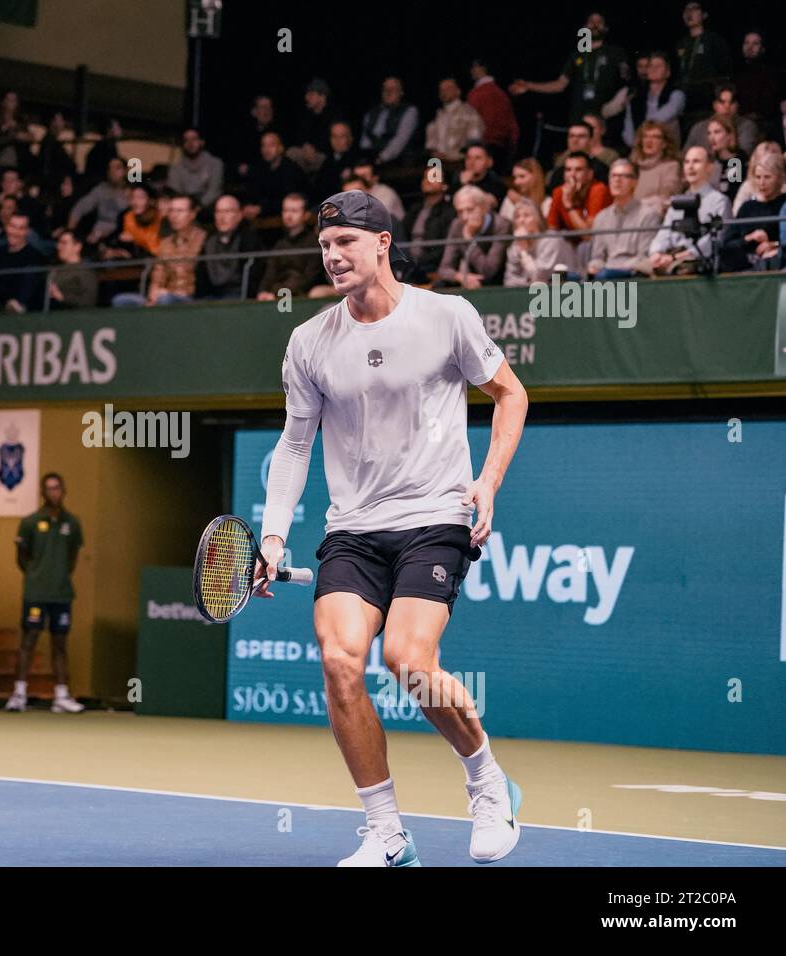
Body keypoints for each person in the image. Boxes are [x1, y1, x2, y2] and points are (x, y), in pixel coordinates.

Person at [259, 188, 528, 866]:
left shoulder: (448, 316)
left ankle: (487, 782)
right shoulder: (309, 341)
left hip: (435, 515)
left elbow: (510, 394)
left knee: (408, 660)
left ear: (382, 242)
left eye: (344, 241)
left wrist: (488, 482)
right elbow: (295, 446)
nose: (332, 255)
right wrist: (271, 535)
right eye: (323, 246)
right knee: (340, 658)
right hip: (352, 526)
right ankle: (386, 830)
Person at [7, 472, 85, 714]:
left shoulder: (72, 523)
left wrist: (59, 576)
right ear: (42, 492)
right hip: (36, 593)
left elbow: (73, 557)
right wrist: (35, 575)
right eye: (49, 489)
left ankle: (61, 696)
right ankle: (19, 694)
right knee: (29, 640)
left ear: (63, 491)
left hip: (61, 594)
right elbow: (22, 557)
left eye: (58, 488)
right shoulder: (30, 522)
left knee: (60, 644)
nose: (54, 492)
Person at [509, 11, 629, 125]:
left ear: (606, 27)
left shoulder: (616, 53)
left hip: (606, 118)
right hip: (578, 118)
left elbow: (627, 83)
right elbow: (560, 85)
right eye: (591, 22)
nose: (594, 25)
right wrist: (528, 85)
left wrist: (616, 105)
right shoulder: (577, 55)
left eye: (599, 22)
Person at [649, 145, 732, 273]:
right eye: (687, 162)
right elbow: (664, 233)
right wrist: (656, 253)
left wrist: (675, 257)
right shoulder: (677, 201)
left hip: (697, 260)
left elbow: (714, 240)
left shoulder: (719, 201)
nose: (690, 166)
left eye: (696, 161)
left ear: (709, 167)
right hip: (670, 256)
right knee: (639, 270)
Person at [587, 158, 663, 278]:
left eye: (624, 176)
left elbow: (644, 257)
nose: (617, 180)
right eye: (613, 176)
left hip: (633, 276)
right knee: (568, 279)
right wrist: (595, 266)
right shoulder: (601, 217)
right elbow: (597, 257)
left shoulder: (648, 215)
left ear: (635, 182)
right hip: (605, 274)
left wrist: (612, 267)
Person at [719, 152, 785, 271]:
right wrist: (748, 238)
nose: (762, 183)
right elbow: (727, 243)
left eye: (767, 177)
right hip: (745, 263)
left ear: (780, 178)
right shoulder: (747, 207)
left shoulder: (784, 204)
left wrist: (775, 244)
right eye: (758, 177)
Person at [436, 186, 510, 288]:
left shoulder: (501, 225)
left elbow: (489, 271)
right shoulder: (457, 225)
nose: (465, 217)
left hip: (497, 283)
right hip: (469, 279)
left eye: (470, 210)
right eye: (460, 212)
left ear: (484, 208)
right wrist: (461, 277)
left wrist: (469, 239)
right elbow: (444, 269)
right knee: (440, 285)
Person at [257, 193, 320, 300]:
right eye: (285, 210)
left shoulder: (314, 243)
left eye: (294, 211)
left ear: (305, 215)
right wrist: (262, 291)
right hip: (277, 294)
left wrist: (278, 294)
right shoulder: (279, 243)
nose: (288, 215)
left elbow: (308, 279)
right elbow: (270, 273)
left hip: (301, 298)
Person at [675, 2, 733, 116]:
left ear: (704, 15)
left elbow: (725, 72)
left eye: (694, 9)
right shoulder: (680, 44)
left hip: (707, 104)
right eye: (686, 10)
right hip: (684, 104)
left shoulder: (715, 40)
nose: (689, 13)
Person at [503, 200, 575, 286]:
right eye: (517, 217)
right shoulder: (515, 245)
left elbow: (539, 277)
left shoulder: (551, 240)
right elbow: (508, 281)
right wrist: (528, 282)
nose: (521, 220)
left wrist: (524, 253)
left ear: (537, 219)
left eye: (526, 215)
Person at [623, 51, 686, 148]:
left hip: (666, 147)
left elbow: (661, 118)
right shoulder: (635, 98)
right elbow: (628, 128)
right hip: (639, 148)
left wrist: (642, 132)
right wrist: (636, 144)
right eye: (651, 66)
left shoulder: (676, 95)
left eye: (658, 66)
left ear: (668, 72)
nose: (654, 69)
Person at [402, 171, 456, 281]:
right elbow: (403, 234)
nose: (427, 181)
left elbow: (446, 246)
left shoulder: (449, 211)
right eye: (425, 178)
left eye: (433, 177)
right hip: (409, 264)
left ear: (445, 185)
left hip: (431, 266)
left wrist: (421, 261)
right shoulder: (414, 209)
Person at [467, 58, 519, 170]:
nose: (471, 71)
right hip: (502, 149)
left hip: (482, 148)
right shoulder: (501, 94)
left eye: (473, 67)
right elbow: (513, 125)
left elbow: (470, 124)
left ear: (482, 68)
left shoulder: (476, 94)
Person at [358, 76, 422, 167]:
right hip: (372, 160)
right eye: (385, 89)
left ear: (401, 92)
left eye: (393, 89)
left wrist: (381, 158)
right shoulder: (371, 113)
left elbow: (400, 140)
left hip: (398, 161)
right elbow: (365, 141)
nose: (388, 92)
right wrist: (364, 160)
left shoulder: (409, 111)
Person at [546, 151, 611, 240]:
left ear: (589, 174)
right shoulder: (559, 192)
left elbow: (589, 236)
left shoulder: (599, 190)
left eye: (578, 170)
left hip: (597, 244)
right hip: (570, 245)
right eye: (568, 170)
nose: (572, 175)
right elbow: (551, 230)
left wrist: (569, 205)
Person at [243, 132, 307, 220]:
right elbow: (252, 194)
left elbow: (289, 198)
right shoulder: (258, 169)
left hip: (286, 217)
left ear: (281, 148)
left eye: (271, 145)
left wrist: (261, 209)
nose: (266, 149)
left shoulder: (291, 169)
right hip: (261, 218)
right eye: (263, 146)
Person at [0, 213, 47, 313]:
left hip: (26, 314)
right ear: (6, 227)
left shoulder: (35, 256)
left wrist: (17, 304)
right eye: (12, 226)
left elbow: (29, 291)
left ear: (27, 231)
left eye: (21, 228)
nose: (15, 232)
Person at [66, 157, 129, 243]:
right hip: (99, 236)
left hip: (124, 236)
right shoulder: (101, 189)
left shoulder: (132, 191)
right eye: (110, 168)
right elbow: (80, 208)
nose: (112, 171)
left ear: (125, 171)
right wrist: (69, 232)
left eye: (117, 168)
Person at [685, 85, 760, 154]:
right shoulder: (699, 128)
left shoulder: (748, 126)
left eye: (731, 102)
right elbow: (685, 155)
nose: (727, 107)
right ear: (715, 105)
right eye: (722, 102)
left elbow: (744, 154)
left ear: (737, 105)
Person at [631, 120, 685, 216]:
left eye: (655, 137)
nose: (649, 140)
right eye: (645, 136)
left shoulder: (671, 166)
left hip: (654, 218)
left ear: (664, 143)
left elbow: (667, 198)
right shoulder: (633, 166)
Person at [426, 77, 484, 164]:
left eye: (448, 88)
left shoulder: (469, 113)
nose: (443, 92)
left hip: (459, 164)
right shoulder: (437, 116)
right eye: (441, 90)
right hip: (438, 164)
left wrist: (454, 155)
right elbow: (431, 144)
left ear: (458, 91)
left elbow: (474, 140)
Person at [167, 127, 224, 211]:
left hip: (209, 209)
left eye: (194, 139)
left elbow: (214, 191)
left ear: (202, 142)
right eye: (186, 140)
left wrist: (198, 207)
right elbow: (176, 191)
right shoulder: (176, 167)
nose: (190, 143)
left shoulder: (215, 163)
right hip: (184, 209)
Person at [546, 122, 611, 190]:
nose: (575, 140)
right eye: (572, 136)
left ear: (591, 140)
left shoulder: (602, 170)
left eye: (581, 136)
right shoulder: (558, 172)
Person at [46, 230, 98, 309]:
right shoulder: (54, 268)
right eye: (59, 243)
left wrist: (62, 297)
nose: (58, 247)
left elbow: (89, 302)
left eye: (64, 243)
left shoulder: (84, 271)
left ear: (77, 247)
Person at [311, 122, 358, 203]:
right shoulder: (328, 160)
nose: (337, 141)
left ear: (350, 138)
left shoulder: (357, 160)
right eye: (334, 136)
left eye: (342, 136)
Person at [703, 115, 748, 199]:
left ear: (729, 135)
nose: (712, 138)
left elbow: (731, 193)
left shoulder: (735, 161)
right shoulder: (710, 160)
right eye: (709, 133)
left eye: (717, 132)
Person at [451, 141, 505, 208]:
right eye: (468, 158)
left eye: (478, 158)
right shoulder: (456, 179)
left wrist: (466, 185)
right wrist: (460, 184)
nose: (472, 163)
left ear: (489, 162)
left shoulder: (495, 183)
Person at [499, 158, 551, 222]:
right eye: (515, 177)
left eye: (522, 176)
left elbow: (543, 227)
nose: (516, 182)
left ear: (535, 177)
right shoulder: (509, 200)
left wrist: (520, 202)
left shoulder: (548, 203)